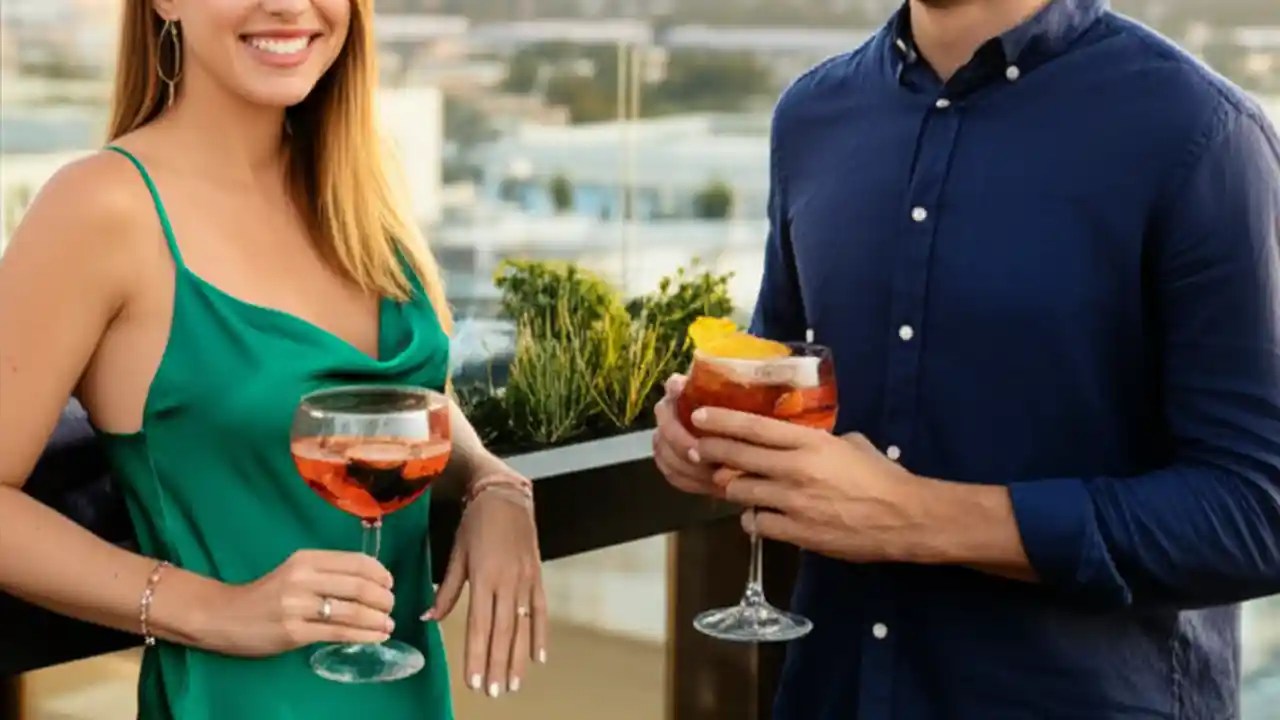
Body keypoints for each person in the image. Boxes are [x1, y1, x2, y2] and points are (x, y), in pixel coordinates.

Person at [653, 0, 1280, 718]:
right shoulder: (811, 115)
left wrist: (916, 516)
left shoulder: (1200, 133)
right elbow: (787, 377)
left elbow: (1258, 512)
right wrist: (710, 439)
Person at [0, 1, 545, 717]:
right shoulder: (101, 207)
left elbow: (403, 399)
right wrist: (212, 610)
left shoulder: (357, 186)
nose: (289, 4)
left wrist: (491, 483)